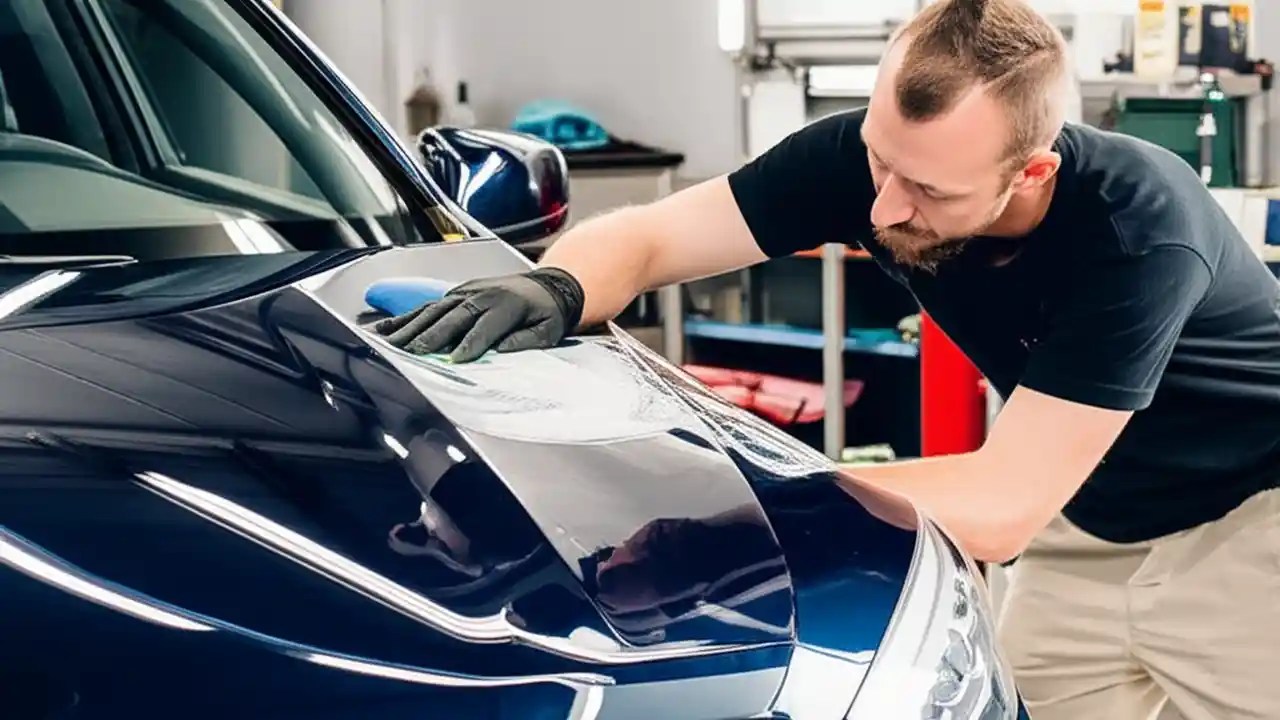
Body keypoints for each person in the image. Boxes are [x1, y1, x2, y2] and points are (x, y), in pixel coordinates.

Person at [374, 0, 1280, 717]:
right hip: (1093, 515)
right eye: (882, 162)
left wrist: (735, 502)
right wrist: (559, 286)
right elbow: (650, 239)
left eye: (927, 189)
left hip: (1250, 524)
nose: (884, 211)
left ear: (1031, 174)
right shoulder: (869, 164)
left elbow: (1002, 506)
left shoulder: (1139, 231)